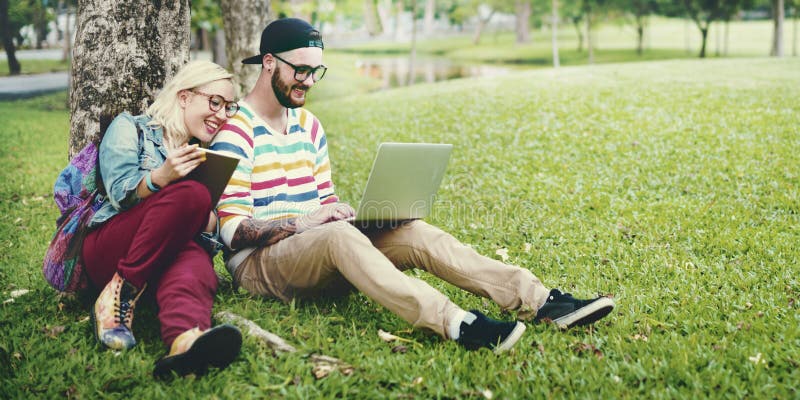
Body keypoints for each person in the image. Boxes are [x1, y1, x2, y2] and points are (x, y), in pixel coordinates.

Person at [210, 18, 615, 353]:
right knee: (334, 235)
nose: (310, 81)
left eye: (317, 71)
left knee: (411, 231)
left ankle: (541, 300)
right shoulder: (236, 132)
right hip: (259, 267)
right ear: (267, 63)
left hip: (319, 249)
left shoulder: (309, 126)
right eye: (300, 70)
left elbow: (324, 201)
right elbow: (232, 233)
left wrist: (351, 215)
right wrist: (308, 222)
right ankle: (457, 323)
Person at [82, 60, 243, 378]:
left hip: (162, 255)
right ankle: (119, 292)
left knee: (195, 258)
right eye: (215, 102)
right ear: (184, 96)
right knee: (192, 195)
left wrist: (207, 220)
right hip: (109, 248)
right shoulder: (131, 127)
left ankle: (185, 340)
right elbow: (119, 192)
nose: (222, 115)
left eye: (229, 107)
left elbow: (209, 226)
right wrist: (161, 177)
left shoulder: (203, 154)